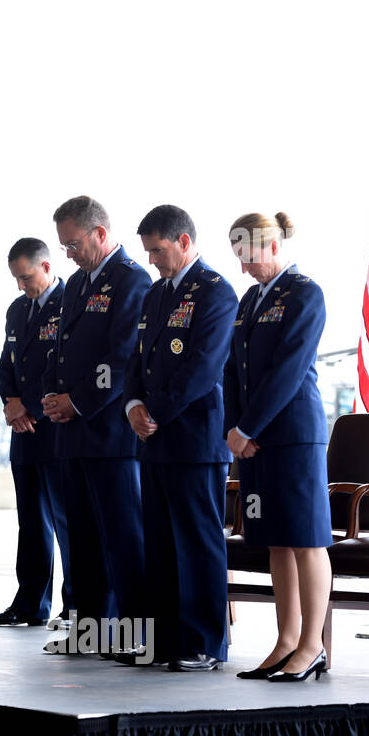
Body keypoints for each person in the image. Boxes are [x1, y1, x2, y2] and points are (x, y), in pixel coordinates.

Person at [123, 205, 238, 670]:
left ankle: (204, 643)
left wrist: (156, 411)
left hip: (193, 438)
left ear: (184, 241)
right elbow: (136, 358)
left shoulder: (215, 292)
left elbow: (204, 368)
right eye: (147, 251)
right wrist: (132, 405)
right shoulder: (154, 296)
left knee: (197, 541)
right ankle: (166, 640)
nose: (151, 259)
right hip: (152, 439)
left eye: (157, 249)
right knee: (161, 543)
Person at [223, 212, 332, 682]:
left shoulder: (305, 293)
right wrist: (234, 428)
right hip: (254, 440)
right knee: (274, 541)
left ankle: (313, 645)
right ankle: (286, 640)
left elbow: (288, 370)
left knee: (305, 539)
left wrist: (247, 427)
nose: (243, 268)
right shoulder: (249, 300)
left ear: (270, 246)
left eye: (247, 257)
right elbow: (231, 370)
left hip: (292, 435)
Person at [41, 196, 152, 656]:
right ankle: (89, 634)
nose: (68, 254)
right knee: (81, 541)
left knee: (123, 541)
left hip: (110, 433)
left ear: (100, 234)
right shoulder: (74, 286)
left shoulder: (131, 280)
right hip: (72, 435)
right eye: (63, 246)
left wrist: (78, 402)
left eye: (73, 244)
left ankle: (132, 637)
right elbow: (60, 349)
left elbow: (122, 357)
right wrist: (51, 397)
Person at [0, 238, 72, 627]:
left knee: (68, 523)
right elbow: (7, 364)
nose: (22, 286)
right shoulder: (18, 309)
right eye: (16, 279)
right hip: (24, 434)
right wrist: (11, 403)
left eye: (27, 276)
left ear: (47, 266)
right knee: (31, 523)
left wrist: (32, 407)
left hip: (56, 428)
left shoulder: (71, 302)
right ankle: (30, 604)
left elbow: (64, 368)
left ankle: (75, 605)